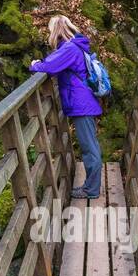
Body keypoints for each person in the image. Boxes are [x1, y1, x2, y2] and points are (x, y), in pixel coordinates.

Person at [28, 15, 103, 199]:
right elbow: (54, 61)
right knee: (89, 146)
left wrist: (35, 64)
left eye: (49, 29)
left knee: (89, 148)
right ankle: (90, 187)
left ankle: (91, 190)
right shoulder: (71, 46)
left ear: (57, 30)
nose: (48, 34)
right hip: (83, 102)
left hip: (82, 104)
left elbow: (49, 66)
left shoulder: (69, 49)